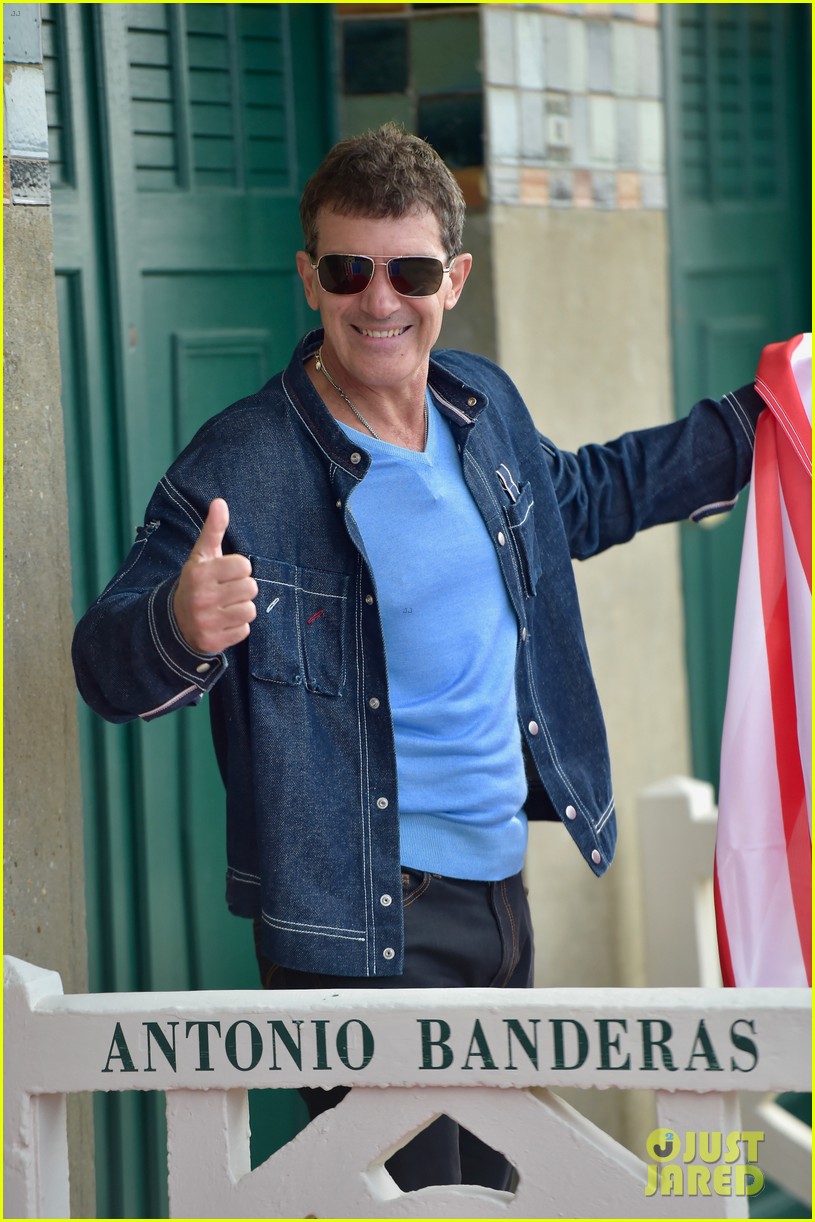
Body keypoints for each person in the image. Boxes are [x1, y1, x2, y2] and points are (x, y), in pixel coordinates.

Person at [72, 124, 764, 1190]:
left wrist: (759, 424)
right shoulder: (241, 462)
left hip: (498, 898)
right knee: (418, 1206)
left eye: (410, 270)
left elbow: (580, 496)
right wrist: (177, 619)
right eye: (348, 269)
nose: (378, 299)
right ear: (310, 278)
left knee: (487, 1190)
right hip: (355, 923)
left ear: (455, 276)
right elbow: (105, 664)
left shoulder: (478, 408)